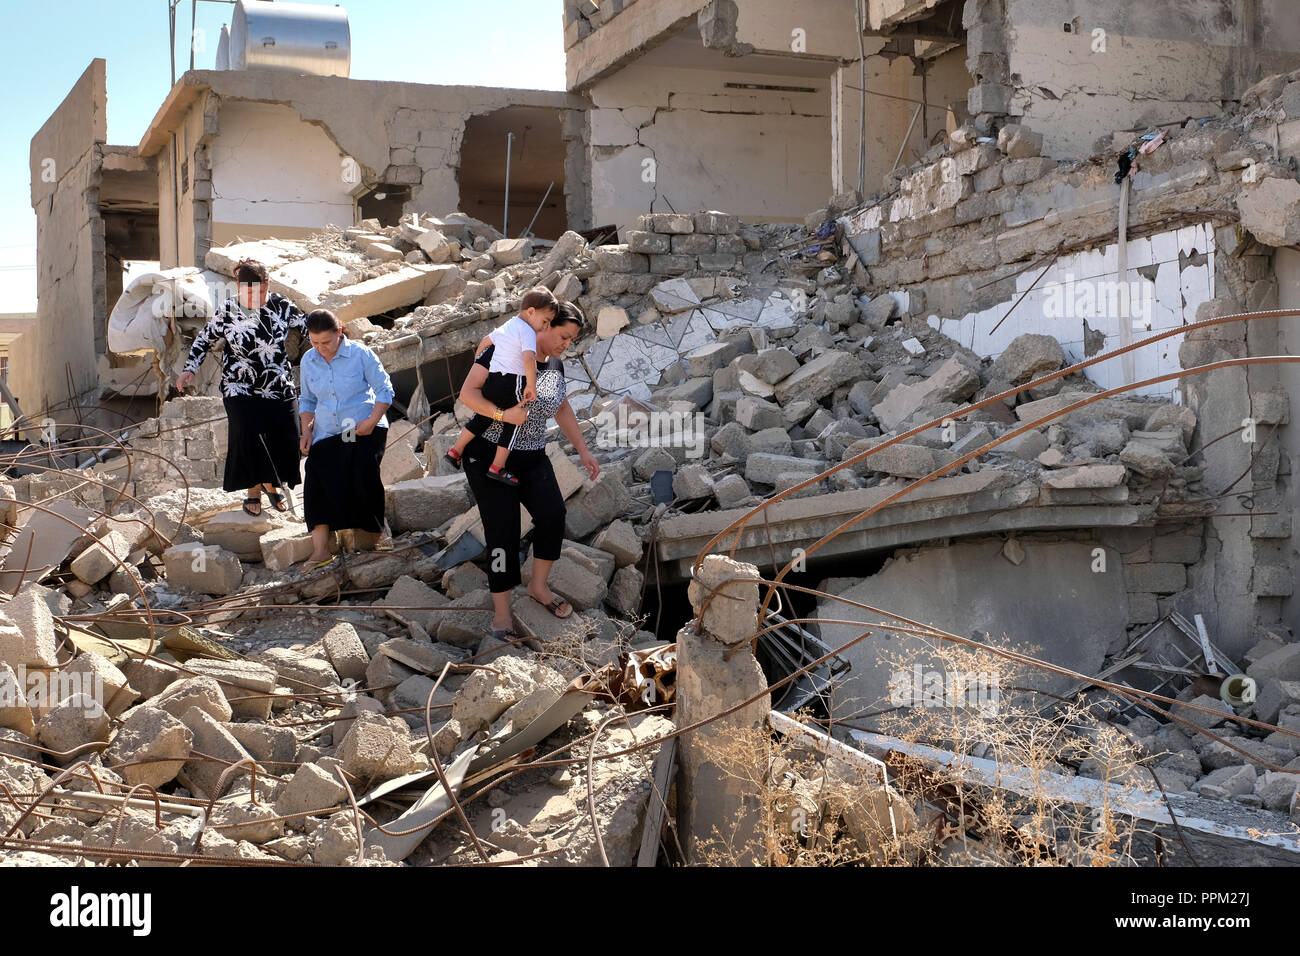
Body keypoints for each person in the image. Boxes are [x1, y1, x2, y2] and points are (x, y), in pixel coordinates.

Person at [458, 302, 599, 640]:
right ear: (544, 325)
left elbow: (561, 406)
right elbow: (468, 394)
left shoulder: (554, 365)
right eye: (562, 336)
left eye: (571, 340)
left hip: (532, 453)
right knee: (502, 532)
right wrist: (504, 417)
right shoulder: (501, 351)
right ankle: (503, 614)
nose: (566, 344)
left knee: (553, 515)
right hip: (489, 454)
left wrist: (583, 450)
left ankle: (538, 586)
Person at [176, 258, 306, 517]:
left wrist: (336, 338)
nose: (254, 297)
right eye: (248, 292)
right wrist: (189, 369)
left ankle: (272, 483)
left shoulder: (281, 306)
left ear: (267, 285)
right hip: (239, 384)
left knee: (288, 434)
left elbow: (307, 326)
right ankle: (254, 491)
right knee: (248, 434)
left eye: (259, 291)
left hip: (277, 381)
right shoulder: (227, 309)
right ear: (238, 286)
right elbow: (204, 340)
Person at [297, 309, 396, 568]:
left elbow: (385, 390)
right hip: (328, 431)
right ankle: (321, 550)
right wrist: (306, 431)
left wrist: (372, 420)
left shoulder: (360, 354)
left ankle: (378, 533)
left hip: (363, 425)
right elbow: (307, 400)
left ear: (339, 333)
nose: (321, 348)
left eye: (326, 342)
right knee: (315, 474)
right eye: (315, 343)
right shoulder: (309, 361)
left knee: (362, 470)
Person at [443, 286, 558, 486]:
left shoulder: (509, 325)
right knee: (515, 420)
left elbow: (485, 342)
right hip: (513, 382)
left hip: (493, 380)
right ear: (531, 311)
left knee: (482, 417)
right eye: (545, 321)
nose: (545, 327)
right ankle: (497, 466)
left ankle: (455, 451)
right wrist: (531, 385)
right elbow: (529, 358)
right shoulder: (527, 331)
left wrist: (478, 360)